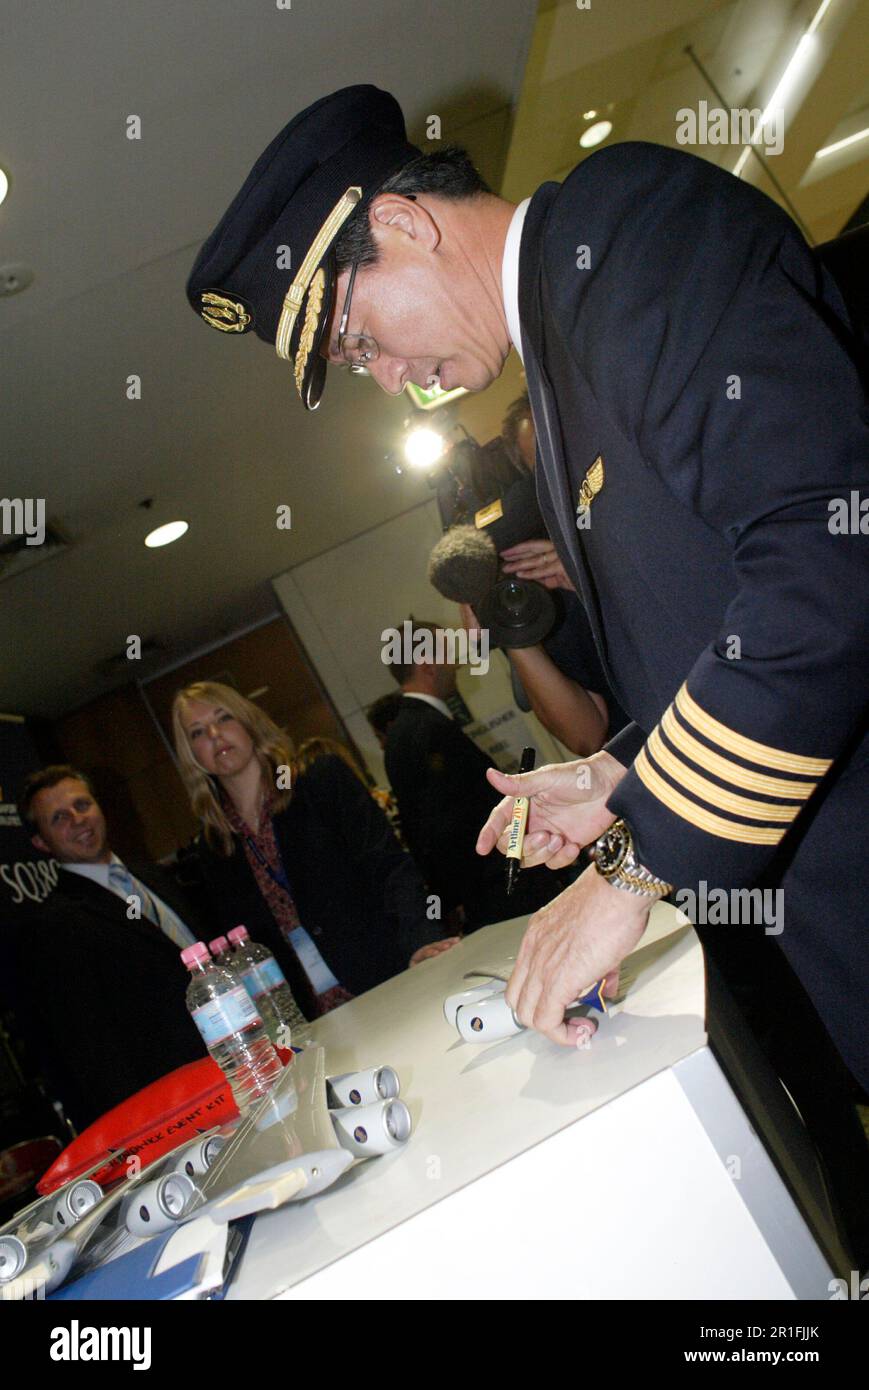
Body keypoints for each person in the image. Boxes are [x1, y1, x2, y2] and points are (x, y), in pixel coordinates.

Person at [184, 86, 869, 1262]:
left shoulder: (625, 231)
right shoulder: (558, 337)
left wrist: (632, 865)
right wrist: (616, 775)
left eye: (357, 341)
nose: (387, 379)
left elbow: (825, 553)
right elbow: (712, 613)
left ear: (401, 224)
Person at [172, 682, 456, 1020]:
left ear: (249, 723)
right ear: (192, 756)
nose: (216, 734)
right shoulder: (213, 847)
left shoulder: (319, 781)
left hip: (389, 975)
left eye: (224, 718)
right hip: (307, 1017)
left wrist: (421, 939)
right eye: (198, 732)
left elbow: (390, 866)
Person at [14, 766, 206, 1128]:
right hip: (181, 1107)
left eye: (82, 804)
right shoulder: (54, 928)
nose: (78, 820)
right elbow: (94, 1050)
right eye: (59, 818)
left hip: (241, 1055)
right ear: (41, 843)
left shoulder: (152, 876)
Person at [383, 620, 561, 930]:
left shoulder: (404, 733)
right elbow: (453, 824)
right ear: (429, 665)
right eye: (447, 654)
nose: (456, 664)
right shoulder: (429, 730)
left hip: (483, 892)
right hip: (502, 890)